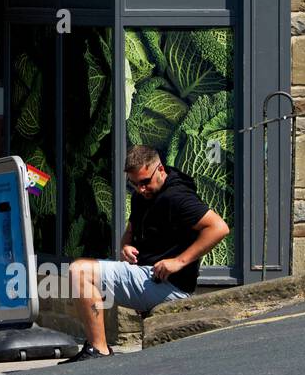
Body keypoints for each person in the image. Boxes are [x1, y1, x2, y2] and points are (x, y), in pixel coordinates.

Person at [60, 145, 230, 363]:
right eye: (134, 184)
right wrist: (125, 246)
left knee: (80, 271)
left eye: (144, 182)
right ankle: (98, 345)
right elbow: (129, 232)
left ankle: (99, 349)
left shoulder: (177, 197)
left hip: (168, 285)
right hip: (147, 277)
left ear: (159, 169)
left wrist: (179, 262)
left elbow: (219, 228)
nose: (140, 189)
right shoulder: (142, 197)